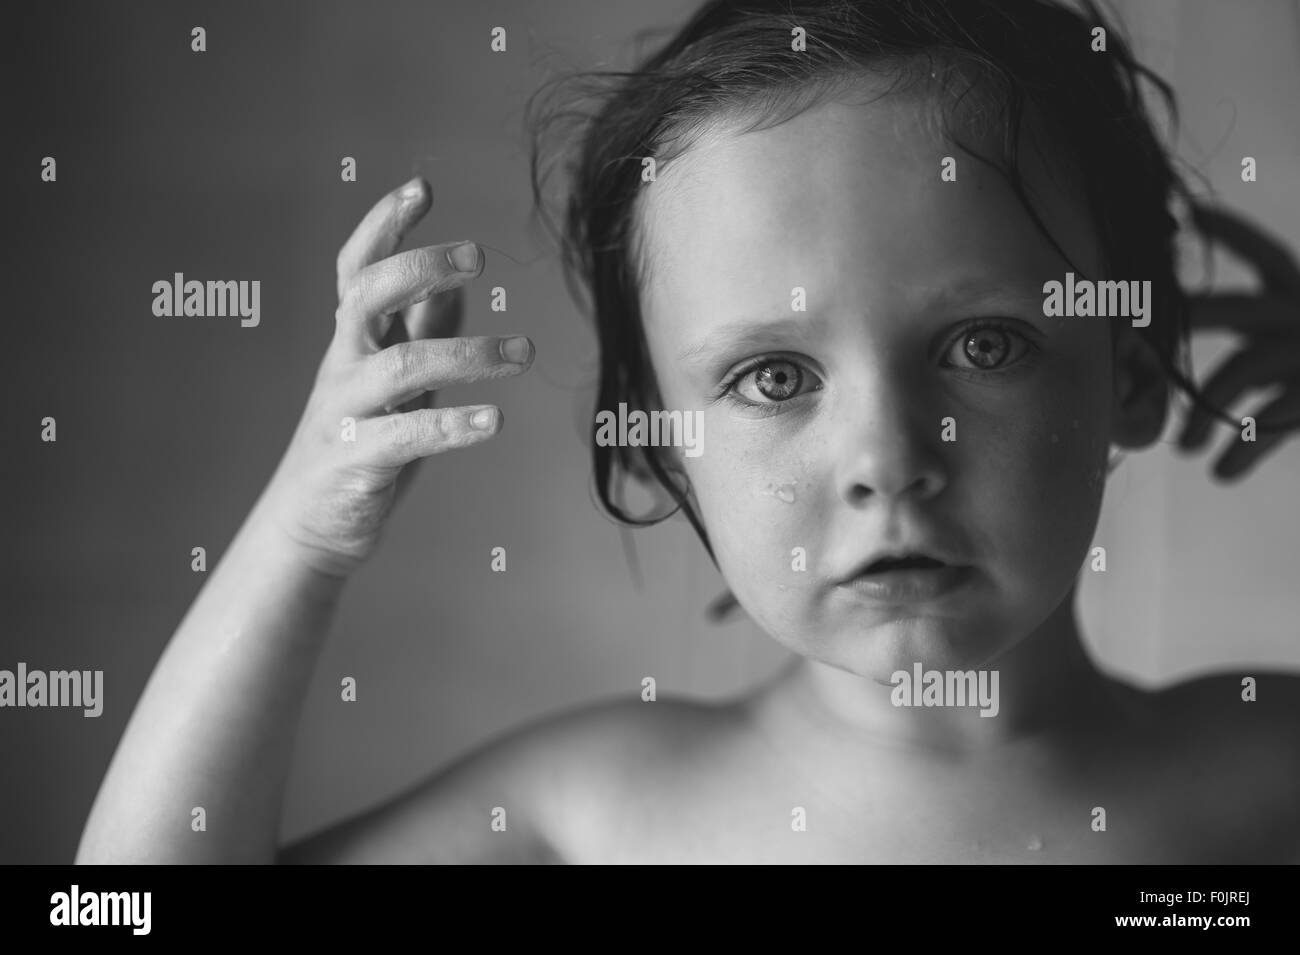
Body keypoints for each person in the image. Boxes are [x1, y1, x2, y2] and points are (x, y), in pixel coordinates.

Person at [77, 0, 1300, 864]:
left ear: (1128, 379)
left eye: (982, 345)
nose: (884, 460)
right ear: (664, 451)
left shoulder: (1259, 772)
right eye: (773, 377)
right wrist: (302, 540)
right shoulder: (601, 817)